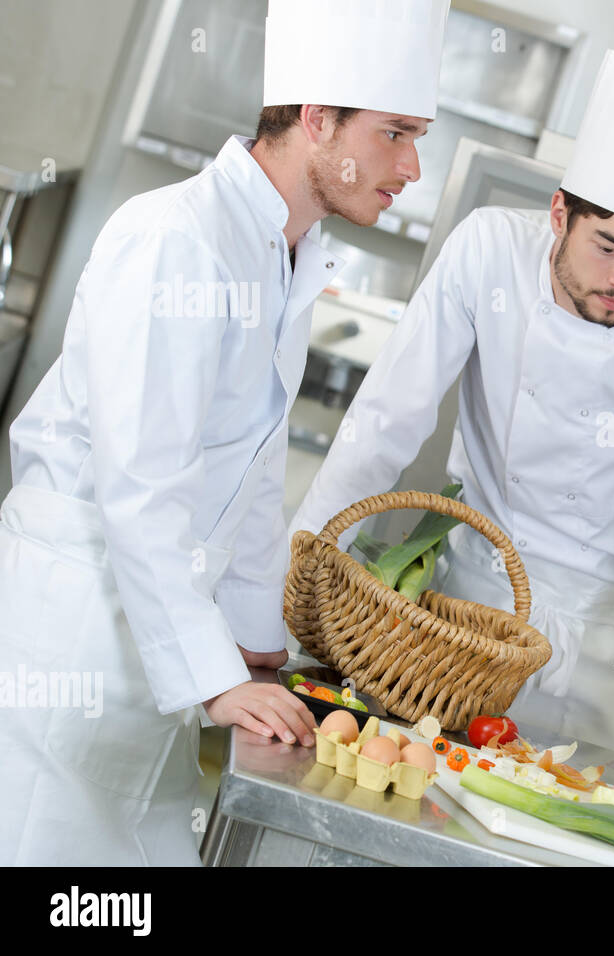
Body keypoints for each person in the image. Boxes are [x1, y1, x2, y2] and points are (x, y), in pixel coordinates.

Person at [0, 0, 451, 865]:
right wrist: (216, 679)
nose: (413, 166)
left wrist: (257, 645)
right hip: (73, 638)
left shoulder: (282, 252)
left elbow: (251, 469)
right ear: (319, 120)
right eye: (396, 134)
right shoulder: (179, 239)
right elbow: (143, 483)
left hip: (152, 644)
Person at [290, 51, 614, 754]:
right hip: (461, 630)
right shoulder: (489, 251)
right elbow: (385, 421)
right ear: (560, 214)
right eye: (609, 247)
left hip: (606, 654)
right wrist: (299, 576)